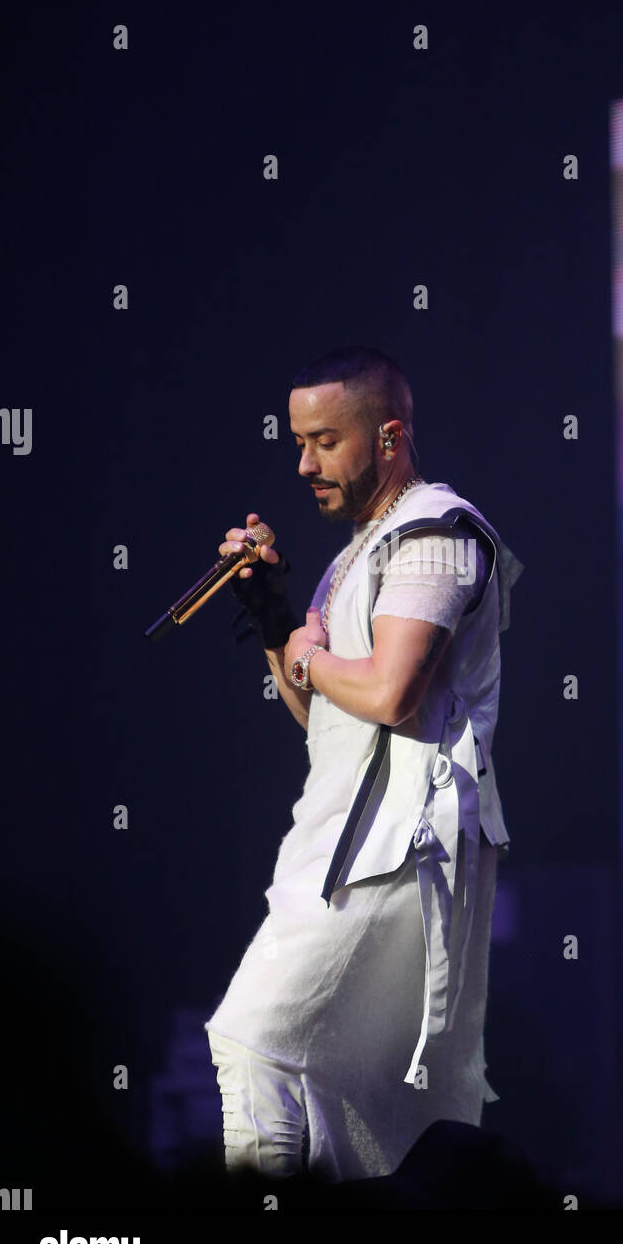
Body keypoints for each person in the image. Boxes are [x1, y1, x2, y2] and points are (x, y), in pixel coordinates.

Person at [203, 346, 524, 1185]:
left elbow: (388, 693)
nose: (304, 463)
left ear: (388, 437)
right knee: (346, 1108)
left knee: (253, 1040)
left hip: (397, 848)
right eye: (297, 442)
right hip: (344, 838)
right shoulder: (359, 552)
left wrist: (308, 657)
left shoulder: (435, 536)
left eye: (324, 441)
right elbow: (325, 717)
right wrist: (276, 619)